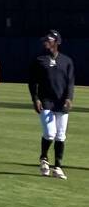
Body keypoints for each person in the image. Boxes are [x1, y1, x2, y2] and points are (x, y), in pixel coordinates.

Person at [29, 30, 73, 179]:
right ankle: (44, 157)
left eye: (49, 40)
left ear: (57, 42)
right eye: (45, 40)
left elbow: (70, 82)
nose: (45, 42)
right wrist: (35, 99)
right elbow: (32, 82)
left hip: (61, 102)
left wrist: (69, 98)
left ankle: (58, 167)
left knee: (61, 136)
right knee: (50, 133)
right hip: (46, 101)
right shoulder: (39, 60)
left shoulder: (66, 61)